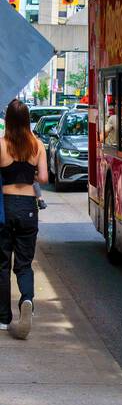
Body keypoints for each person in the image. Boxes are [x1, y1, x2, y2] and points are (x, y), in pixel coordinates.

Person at [0, 99, 49, 339]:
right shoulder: (37, 145)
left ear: (8, 119)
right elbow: (44, 177)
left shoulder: (1, 145)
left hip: (5, 208)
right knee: (24, 264)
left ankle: (3, 317)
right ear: (28, 119)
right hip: (29, 208)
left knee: (2, 263)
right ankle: (27, 300)